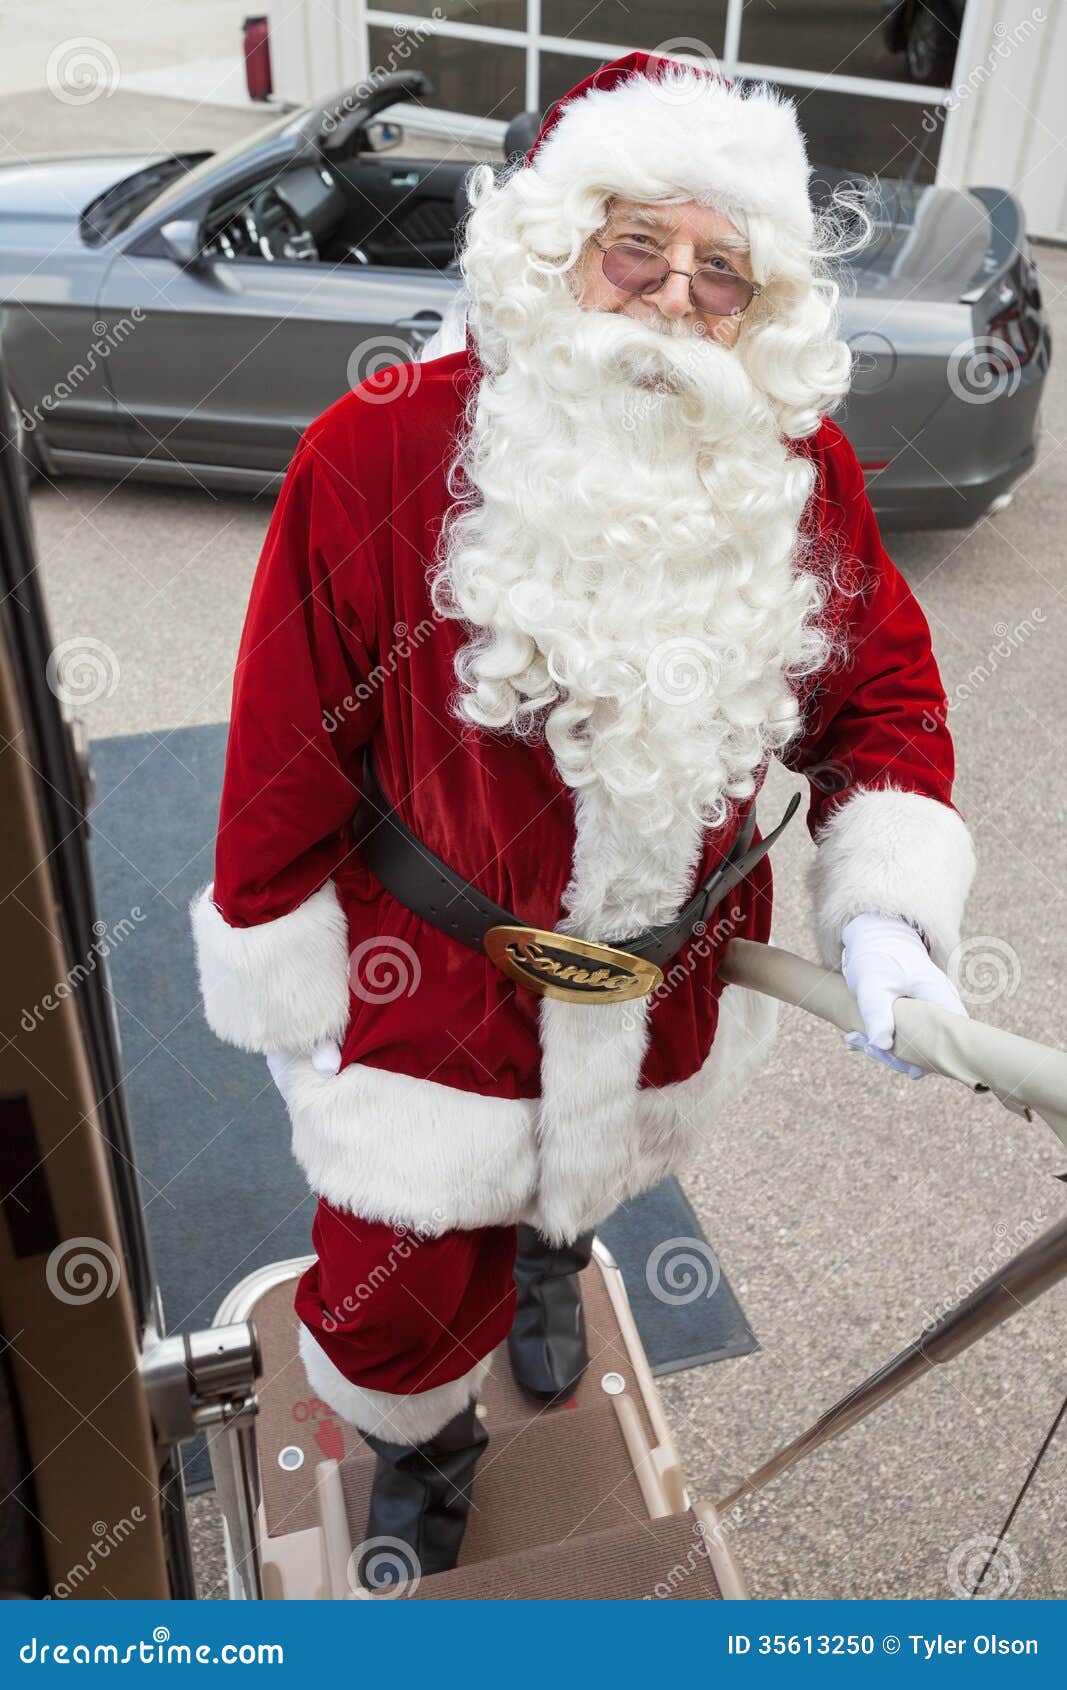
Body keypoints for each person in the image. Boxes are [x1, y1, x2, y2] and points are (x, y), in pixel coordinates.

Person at [190, 50, 975, 1587]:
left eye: (721, 272)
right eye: (641, 250)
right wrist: (285, 961)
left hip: (663, 983)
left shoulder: (795, 471)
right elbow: (286, 729)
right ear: (562, 252)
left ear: (762, 308)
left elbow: (880, 678)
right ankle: (427, 1440)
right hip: (432, 1005)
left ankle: (554, 1254)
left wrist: (881, 897)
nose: (678, 298)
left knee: (592, 1183)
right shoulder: (380, 449)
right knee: (392, 1298)